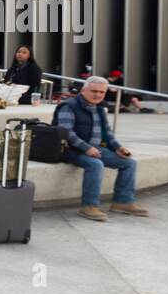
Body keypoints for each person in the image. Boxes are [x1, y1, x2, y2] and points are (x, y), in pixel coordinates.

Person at [56, 76, 148, 222]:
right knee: (95, 164)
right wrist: (86, 148)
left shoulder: (99, 109)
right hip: (69, 150)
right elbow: (66, 132)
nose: (98, 95)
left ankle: (122, 202)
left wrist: (118, 147)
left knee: (129, 163)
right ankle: (89, 206)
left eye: (101, 92)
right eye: (94, 91)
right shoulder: (69, 106)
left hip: (94, 148)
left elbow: (107, 132)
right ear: (84, 90)